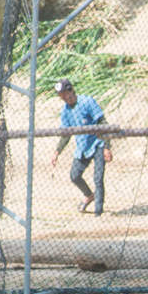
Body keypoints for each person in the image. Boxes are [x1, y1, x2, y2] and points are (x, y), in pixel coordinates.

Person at [49, 78, 112, 215]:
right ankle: (89, 195)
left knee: (98, 178)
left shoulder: (87, 102)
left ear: (71, 91)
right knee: (75, 175)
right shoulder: (65, 111)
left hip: (97, 144)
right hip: (83, 147)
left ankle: (98, 212)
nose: (64, 98)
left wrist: (107, 146)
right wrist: (57, 152)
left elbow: (103, 122)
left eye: (65, 94)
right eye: (61, 96)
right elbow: (66, 134)